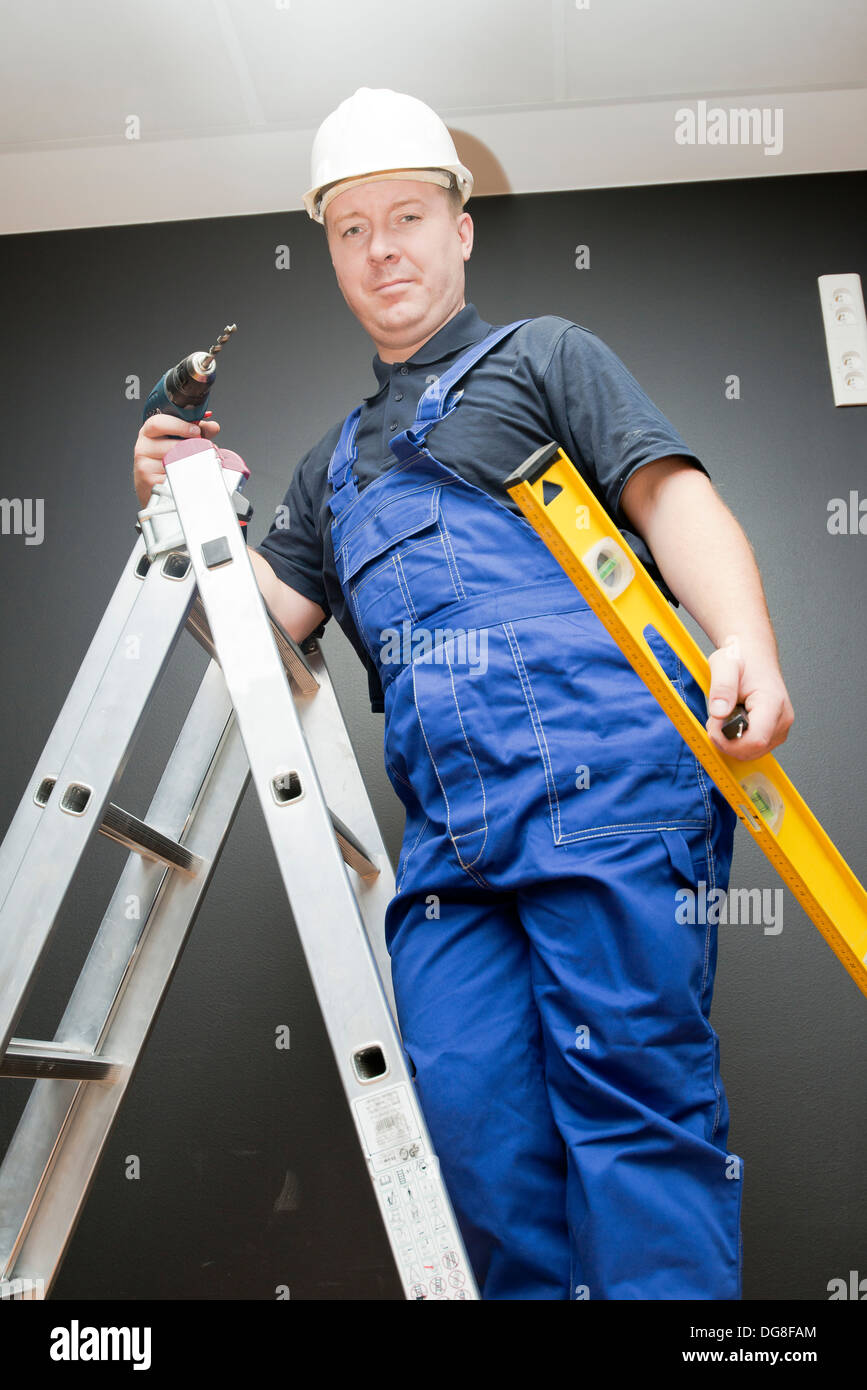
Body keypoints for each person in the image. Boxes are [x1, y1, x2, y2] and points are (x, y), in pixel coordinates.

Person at [133, 87, 794, 1301]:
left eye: (407, 216)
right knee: (481, 1146)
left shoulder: (544, 356)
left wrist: (741, 632)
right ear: (328, 247)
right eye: (350, 228)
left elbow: (670, 495)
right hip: (452, 851)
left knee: (637, 1120)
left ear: (460, 226)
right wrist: (176, 526)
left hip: (610, 791)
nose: (381, 248)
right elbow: (257, 645)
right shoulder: (326, 471)